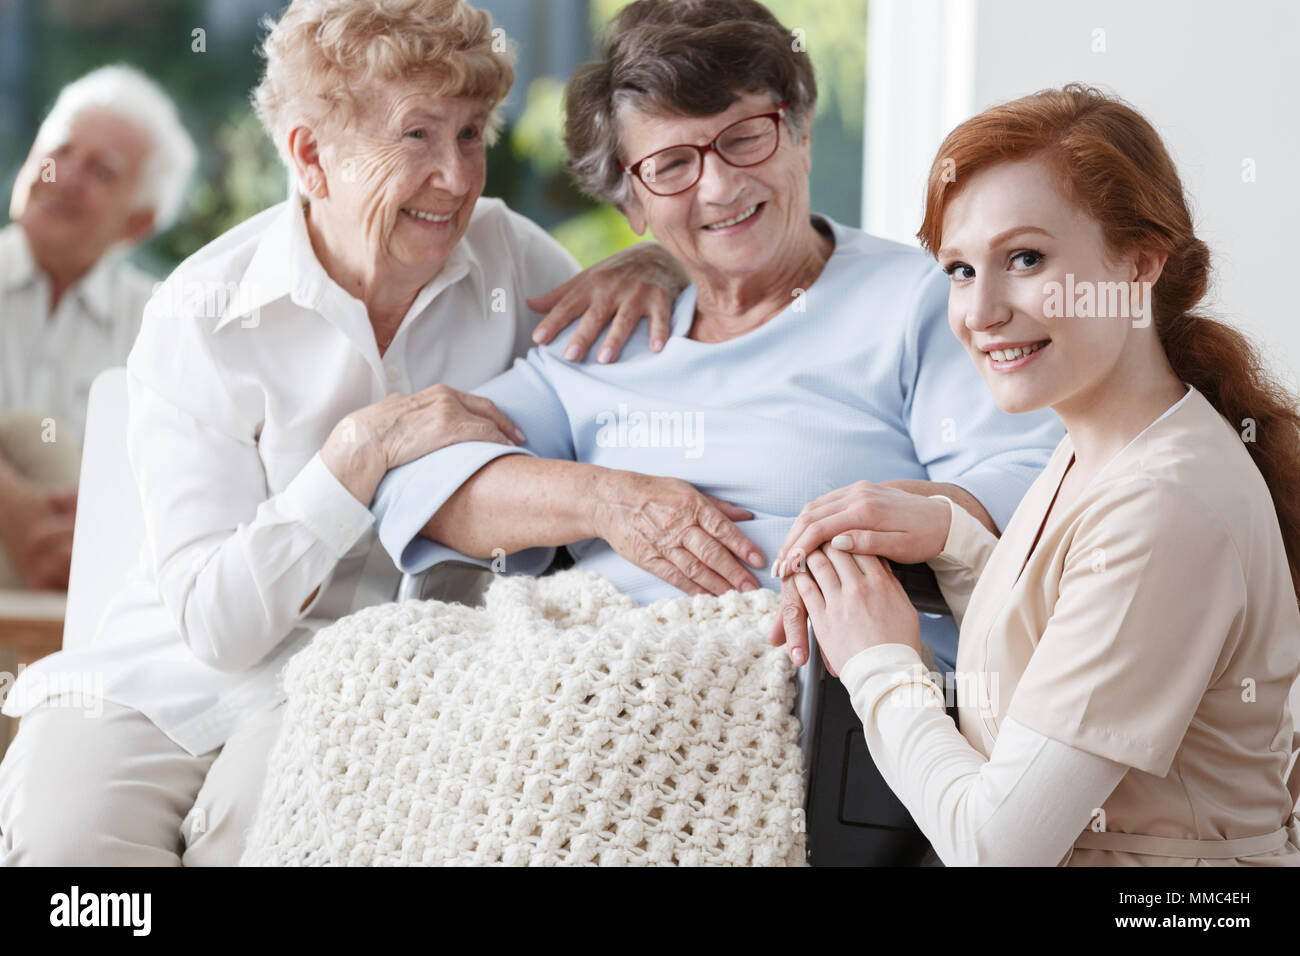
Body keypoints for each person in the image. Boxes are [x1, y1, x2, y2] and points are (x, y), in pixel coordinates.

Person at [0, 0, 687, 866]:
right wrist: (359, 454)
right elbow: (218, 630)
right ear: (310, 155)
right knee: (71, 854)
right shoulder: (203, 312)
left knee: (266, 832)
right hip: (165, 671)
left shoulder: (515, 264)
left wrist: (662, 263)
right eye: (416, 135)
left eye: (471, 133)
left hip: (373, 679)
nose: (455, 176)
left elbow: (644, 367)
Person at [368, 0, 1062, 681]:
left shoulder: (927, 303)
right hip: (597, 683)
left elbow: (1032, 484)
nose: (722, 186)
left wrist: (885, 524)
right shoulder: (610, 334)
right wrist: (604, 500)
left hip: (820, 694)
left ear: (801, 130)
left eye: (745, 137)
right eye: (672, 165)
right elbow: (420, 485)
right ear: (632, 205)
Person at [777, 83, 1300, 865]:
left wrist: (878, 663)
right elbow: (1068, 637)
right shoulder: (1103, 440)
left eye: (1025, 258)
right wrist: (955, 541)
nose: (981, 310)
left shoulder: (1163, 501)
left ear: (1140, 264)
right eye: (958, 269)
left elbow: (994, 849)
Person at [0, 64, 196, 594]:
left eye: (101, 171)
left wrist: (111, 518)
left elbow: (188, 480)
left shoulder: (163, 326)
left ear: (139, 222)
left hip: (93, 591)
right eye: (59, 151)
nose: (63, 177)